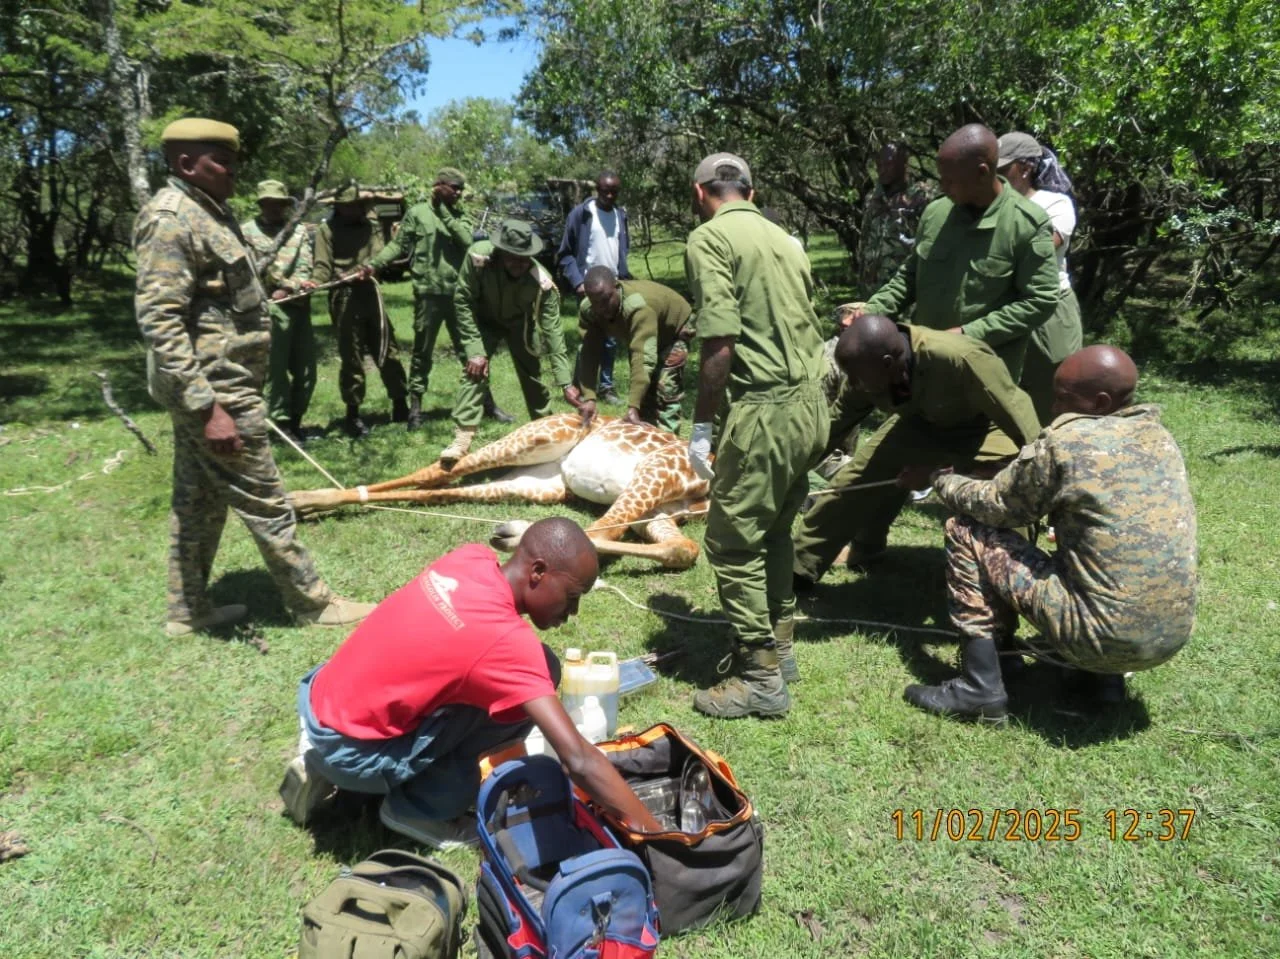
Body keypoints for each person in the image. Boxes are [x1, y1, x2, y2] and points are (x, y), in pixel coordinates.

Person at [281, 517, 663, 846]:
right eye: (572, 596)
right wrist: (653, 830)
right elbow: (578, 759)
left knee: (518, 673)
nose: (573, 611)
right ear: (538, 572)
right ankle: (420, 811)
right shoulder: (506, 643)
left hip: (320, 705)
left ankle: (320, 763)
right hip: (351, 753)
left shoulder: (471, 559)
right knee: (541, 675)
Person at [133, 119, 374, 636]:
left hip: (227, 379)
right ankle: (312, 602)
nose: (231, 167)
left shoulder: (209, 213)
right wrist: (206, 406)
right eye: (218, 158)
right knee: (266, 498)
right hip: (216, 388)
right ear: (184, 163)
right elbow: (160, 319)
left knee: (197, 500)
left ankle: (187, 609)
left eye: (231, 157)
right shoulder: (172, 219)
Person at [899, 346, 1198, 721]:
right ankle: (1102, 683)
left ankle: (980, 689)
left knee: (967, 529)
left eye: (1063, 398)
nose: (1055, 408)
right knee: (1089, 548)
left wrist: (938, 478)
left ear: (1100, 401)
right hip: (1166, 639)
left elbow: (995, 505)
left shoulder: (1068, 445)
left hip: (1098, 637)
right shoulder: (1160, 440)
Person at [684, 152, 829, 719]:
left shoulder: (709, 239)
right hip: (813, 404)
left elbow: (719, 340)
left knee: (732, 541)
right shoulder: (786, 238)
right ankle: (783, 645)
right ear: (749, 188)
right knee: (775, 528)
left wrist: (702, 423)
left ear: (701, 194)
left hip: (765, 411)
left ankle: (759, 677)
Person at [792, 316, 1043, 587]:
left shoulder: (961, 359)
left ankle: (1010, 582)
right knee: (852, 482)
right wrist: (793, 470)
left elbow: (1024, 429)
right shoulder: (867, 367)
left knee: (1004, 492)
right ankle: (799, 569)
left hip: (986, 427)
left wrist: (950, 473)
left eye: (858, 377)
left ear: (888, 363)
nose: (853, 383)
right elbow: (836, 423)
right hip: (921, 424)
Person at [850, 124, 1059, 384]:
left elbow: (1040, 301)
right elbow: (910, 275)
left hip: (984, 374)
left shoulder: (1027, 223)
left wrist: (968, 333)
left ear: (982, 173)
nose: (943, 187)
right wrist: (875, 308)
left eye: (950, 180)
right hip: (925, 367)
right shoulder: (937, 213)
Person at [361, 167, 512, 430]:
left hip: (458, 296)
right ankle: (415, 410)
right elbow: (399, 245)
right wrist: (375, 264)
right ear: (438, 185)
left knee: (472, 351)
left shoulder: (460, 214)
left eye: (460, 188)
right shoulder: (417, 213)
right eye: (453, 187)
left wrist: (444, 212)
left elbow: (466, 240)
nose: (458, 192)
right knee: (422, 353)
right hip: (428, 295)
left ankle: (487, 405)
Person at [441, 219, 576, 466]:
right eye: (514, 257)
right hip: (483, 321)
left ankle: (545, 433)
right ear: (501, 251)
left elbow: (554, 334)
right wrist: (474, 349)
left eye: (526, 258)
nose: (520, 264)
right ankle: (461, 440)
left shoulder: (541, 282)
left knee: (533, 378)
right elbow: (462, 300)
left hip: (520, 324)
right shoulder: (477, 258)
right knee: (475, 372)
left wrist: (566, 382)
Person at [996, 132, 1084, 424]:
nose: (996, 177)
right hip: (1004, 307)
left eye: (1002, 169)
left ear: (1025, 168)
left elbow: (1041, 250)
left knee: (1056, 385)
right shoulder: (988, 207)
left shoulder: (1055, 204)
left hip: (1050, 310)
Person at [308, 183, 408, 438]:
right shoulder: (326, 229)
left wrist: (370, 268)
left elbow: (378, 255)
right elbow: (322, 265)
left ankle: (400, 404)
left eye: (356, 205)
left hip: (370, 293)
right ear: (338, 207)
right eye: (346, 206)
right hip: (344, 296)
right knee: (351, 356)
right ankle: (352, 414)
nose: (352, 210)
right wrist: (316, 281)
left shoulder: (371, 227)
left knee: (387, 348)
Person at [566, 266, 695, 433]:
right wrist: (589, 397)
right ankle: (647, 441)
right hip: (642, 333)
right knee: (645, 396)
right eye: (595, 302)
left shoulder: (638, 308)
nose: (601, 308)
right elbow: (589, 353)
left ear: (617, 288)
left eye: (606, 300)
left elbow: (642, 358)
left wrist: (632, 406)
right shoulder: (590, 311)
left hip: (673, 330)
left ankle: (668, 445)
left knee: (664, 390)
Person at [239, 180, 315, 443]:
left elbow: (306, 265)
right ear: (261, 204)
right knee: (276, 370)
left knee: (306, 370)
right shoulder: (246, 232)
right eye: (268, 202)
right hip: (269, 308)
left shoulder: (299, 231)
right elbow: (250, 271)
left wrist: (296, 287)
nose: (273, 208)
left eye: (278, 203)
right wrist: (280, 289)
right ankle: (281, 425)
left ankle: (297, 420)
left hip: (299, 305)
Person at [557, 171, 631, 406]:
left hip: (614, 286)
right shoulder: (582, 214)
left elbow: (622, 250)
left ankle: (606, 387)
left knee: (611, 339)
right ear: (597, 190)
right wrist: (578, 282)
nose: (609, 195)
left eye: (614, 192)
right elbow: (565, 253)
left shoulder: (621, 215)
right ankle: (580, 385)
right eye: (605, 191)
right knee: (588, 338)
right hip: (588, 288)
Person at [857, 142, 934, 296]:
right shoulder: (872, 198)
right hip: (872, 289)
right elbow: (864, 239)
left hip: (905, 289)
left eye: (888, 164)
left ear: (904, 164)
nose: (882, 170)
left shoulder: (922, 196)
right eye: (879, 165)